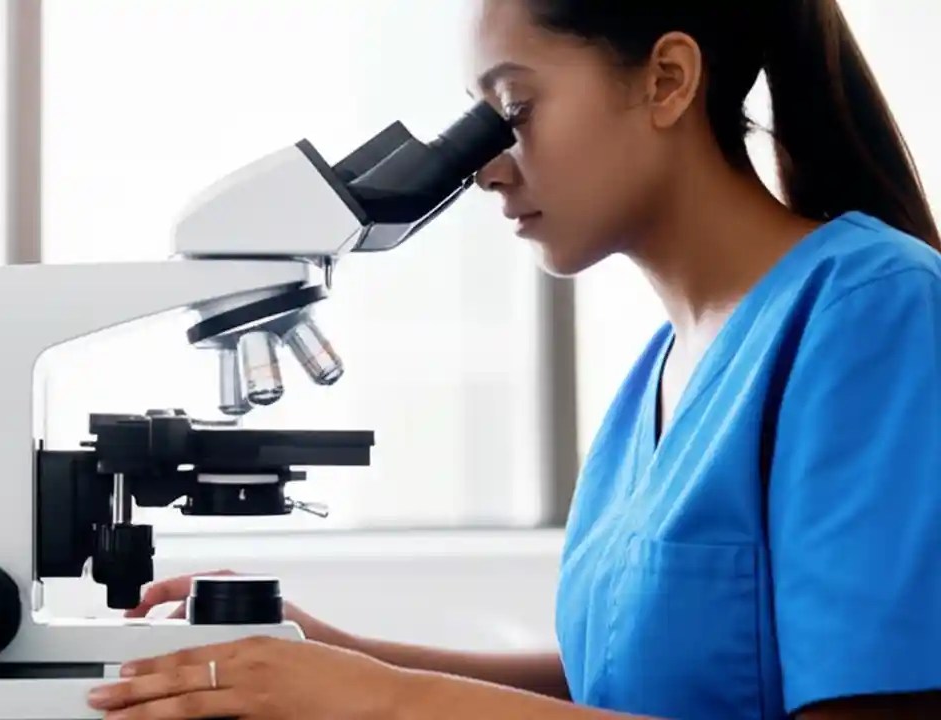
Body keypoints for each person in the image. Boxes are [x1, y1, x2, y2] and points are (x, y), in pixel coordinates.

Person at [87, 0, 941, 717]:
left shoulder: (873, 311)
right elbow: (623, 688)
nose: (489, 167)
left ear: (668, 80)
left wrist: (387, 701)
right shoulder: (664, 367)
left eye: (515, 110)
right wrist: (321, 654)